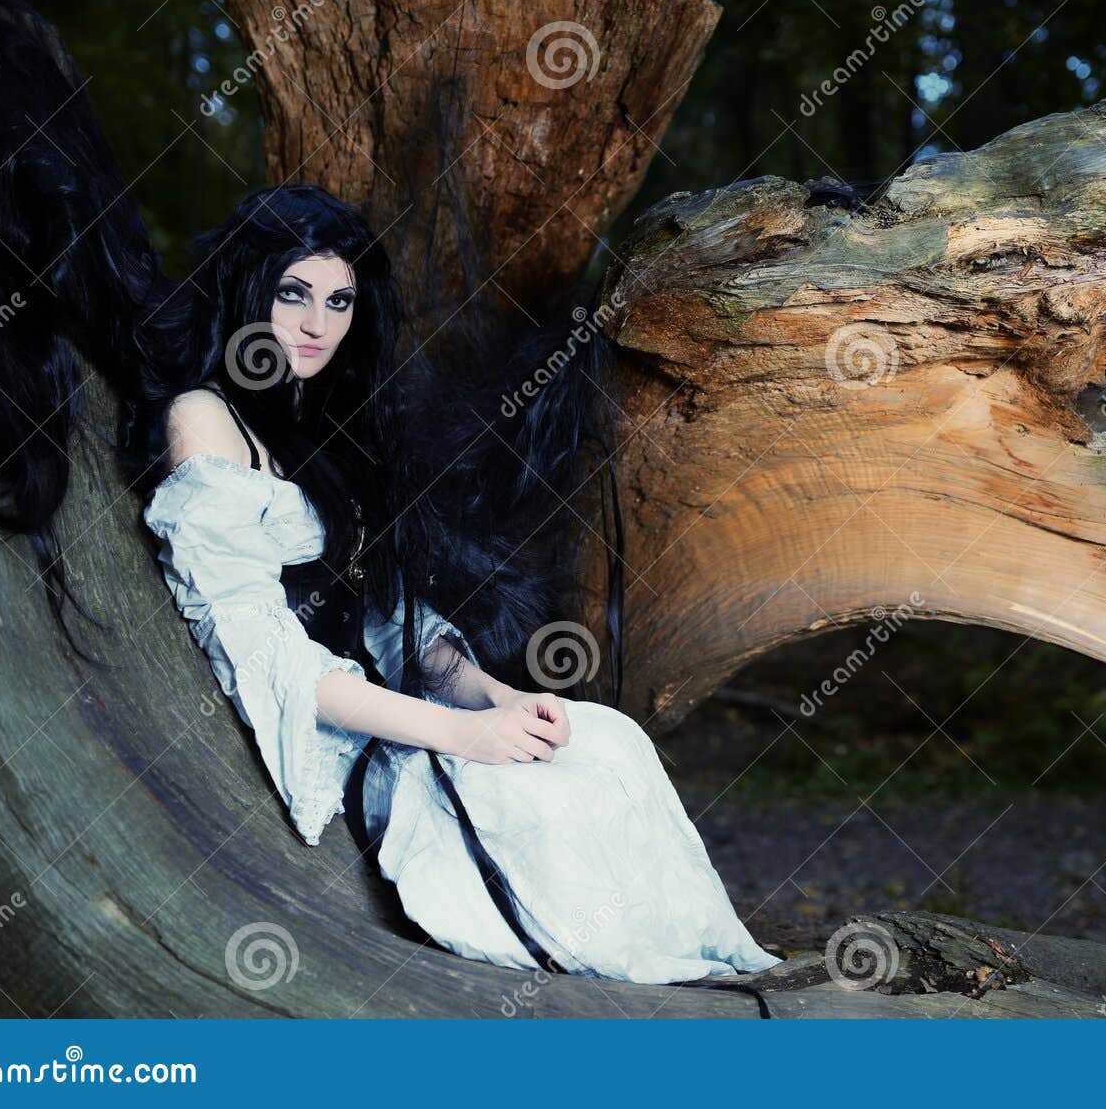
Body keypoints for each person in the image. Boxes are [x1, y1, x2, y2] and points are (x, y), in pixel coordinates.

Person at [138, 187, 782, 986]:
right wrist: (459, 736)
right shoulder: (205, 418)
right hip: (330, 732)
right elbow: (264, 652)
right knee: (529, 804)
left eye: (339, 301)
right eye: (292, 293)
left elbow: (390, 619)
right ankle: (633, 978)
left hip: (399, 708)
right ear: (246, 289)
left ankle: (711, 960)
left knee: (609, 740)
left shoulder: (325, 424)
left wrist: (489, 699)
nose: (316, 326)